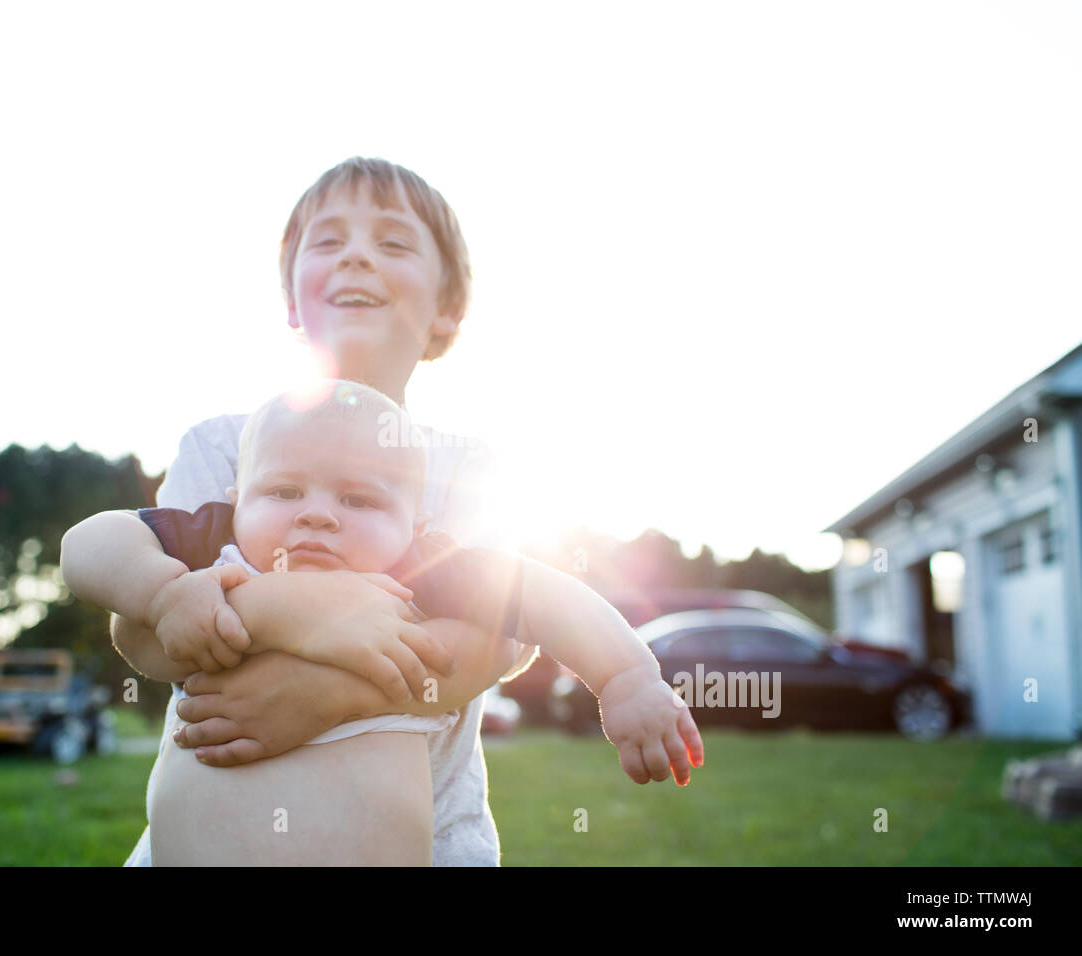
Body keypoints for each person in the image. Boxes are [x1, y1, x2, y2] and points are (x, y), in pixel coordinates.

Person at [76, 157, 702, 866]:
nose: (357, 257)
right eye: (329, 241)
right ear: (291, 299)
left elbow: (506, 626)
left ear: (447, 309)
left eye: (394, 243)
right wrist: (179, 597)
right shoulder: (225, 449)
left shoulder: (466, 472)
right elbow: (139, 624)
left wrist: (626, 676)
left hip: (428, 836)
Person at [63, 382, 701, 864]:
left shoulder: (423, 572)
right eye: (284, 492)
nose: (317, 515)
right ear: (236, 502)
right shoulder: (211, 555)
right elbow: (89, 543)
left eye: (358, 499)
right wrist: (164, 592)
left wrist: (627, 678)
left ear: (415, 527)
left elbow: (545, 594)